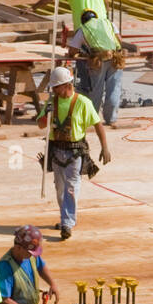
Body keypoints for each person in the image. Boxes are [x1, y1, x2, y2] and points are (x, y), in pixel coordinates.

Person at [31, 0, 123, 126]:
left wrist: (35, 7)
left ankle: (91, 118)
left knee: (94, 86)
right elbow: (106, 2)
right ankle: (111, 119)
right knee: (114, 87)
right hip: (114, 49)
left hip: (93, 49)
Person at [36, 65, 112, 240]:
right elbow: (41, 125)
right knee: (60, 188)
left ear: (66, 85)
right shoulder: (51, 102)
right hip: (56, 152)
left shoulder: (82, 102)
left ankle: (67, 223)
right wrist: (46, 115)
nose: (54, 90)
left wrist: (104, 147)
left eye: (56, 87)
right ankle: (65, 218)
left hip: (74, 153)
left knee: (71, 188)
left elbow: (97, 124)